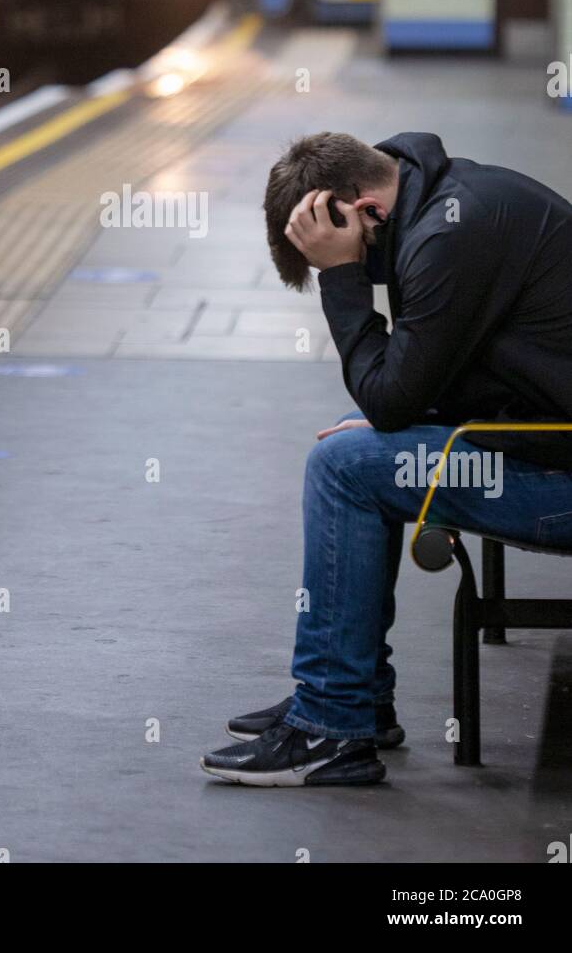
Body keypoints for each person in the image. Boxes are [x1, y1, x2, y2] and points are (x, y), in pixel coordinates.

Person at [201, 131, 572, 787]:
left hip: (559, 473)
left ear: (362, 211)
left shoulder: (448, 237)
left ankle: (331, 726)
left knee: (344, 468)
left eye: (353, 255)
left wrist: (342, 279)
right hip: (547, 436)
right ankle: (352, 700)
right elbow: (416, 387)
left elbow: (391, 398)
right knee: (353, 448)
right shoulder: (447, 200)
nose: (369, 272)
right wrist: (380, 418)